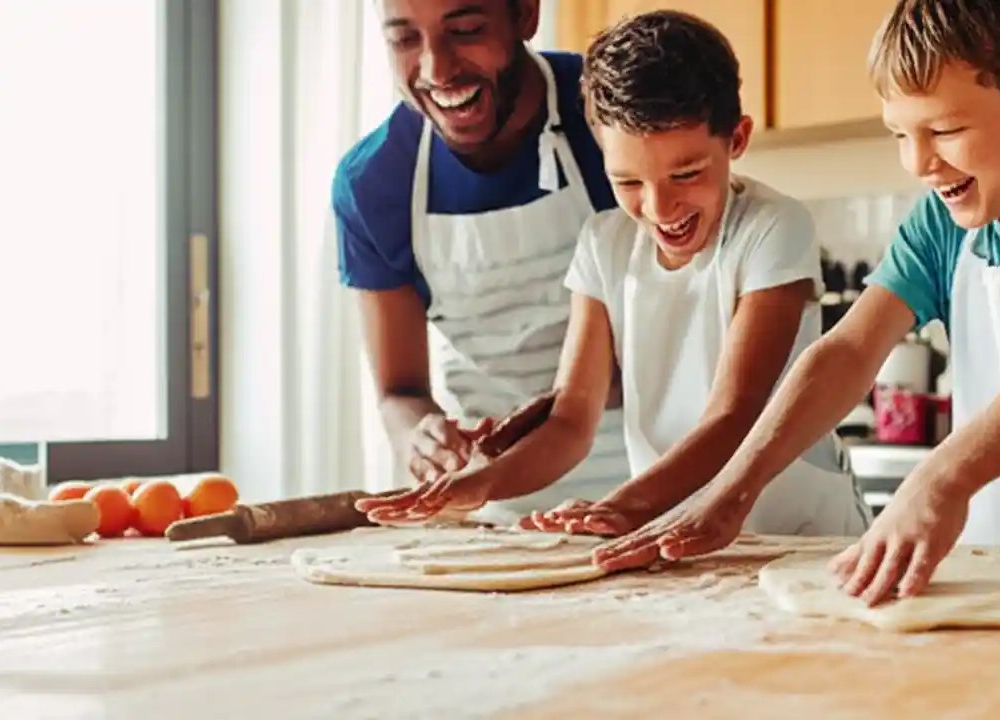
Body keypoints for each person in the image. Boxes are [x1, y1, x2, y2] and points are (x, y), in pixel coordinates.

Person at [592, 0, 1000, 596]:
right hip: (999, 582)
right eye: (900, 134)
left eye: (944, 130)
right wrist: (730, 492)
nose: (918, 163)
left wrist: (941, 475)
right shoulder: (943, 223)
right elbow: (847, 351)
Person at [357, 10, 872, 539]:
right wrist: (481, 483)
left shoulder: (772, 230)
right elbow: (571, 420)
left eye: (687, 173)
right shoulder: (604, 247)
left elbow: (734, 415)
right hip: (675, 539)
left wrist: (623, 506)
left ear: (736, 140)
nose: (660, 206)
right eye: (627, 181)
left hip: (802, 538)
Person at [331, 0, 632, 519]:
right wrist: (419, 441)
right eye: (404, 40)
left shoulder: (619, 114)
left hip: (659, 480)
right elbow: (399, 392)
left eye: (466, 30)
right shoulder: (373, 183)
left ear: (526, 16)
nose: (437, 70)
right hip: (501, 506)